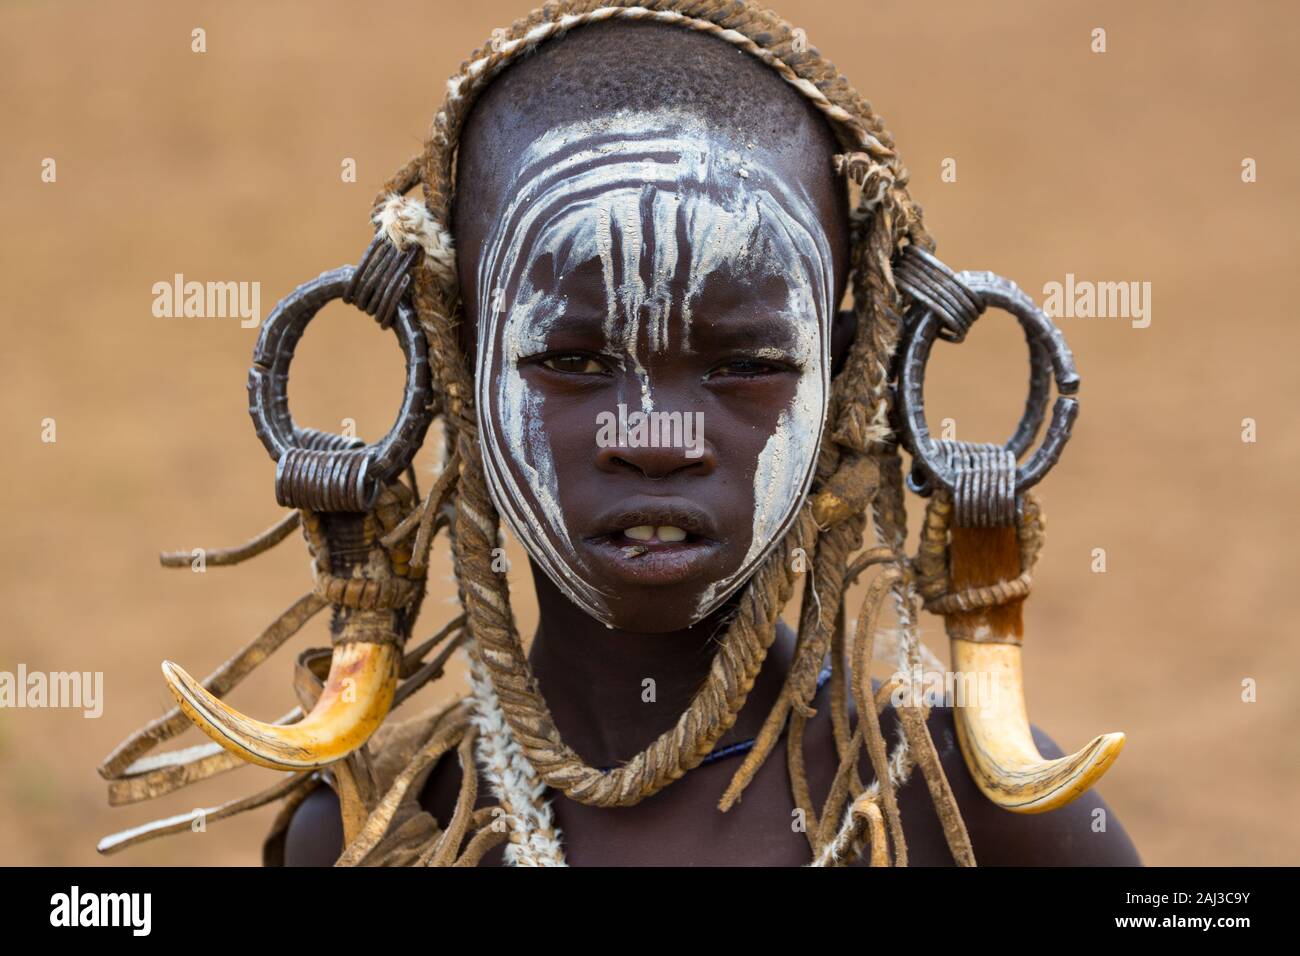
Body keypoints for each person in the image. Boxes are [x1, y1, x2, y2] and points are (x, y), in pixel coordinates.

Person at [100, 1, 1141, 868]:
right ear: (453, 367)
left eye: (745, 364)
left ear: (846, 379)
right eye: (574, 360)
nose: (656, 436)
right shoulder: (384, 835)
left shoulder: (969, 819)